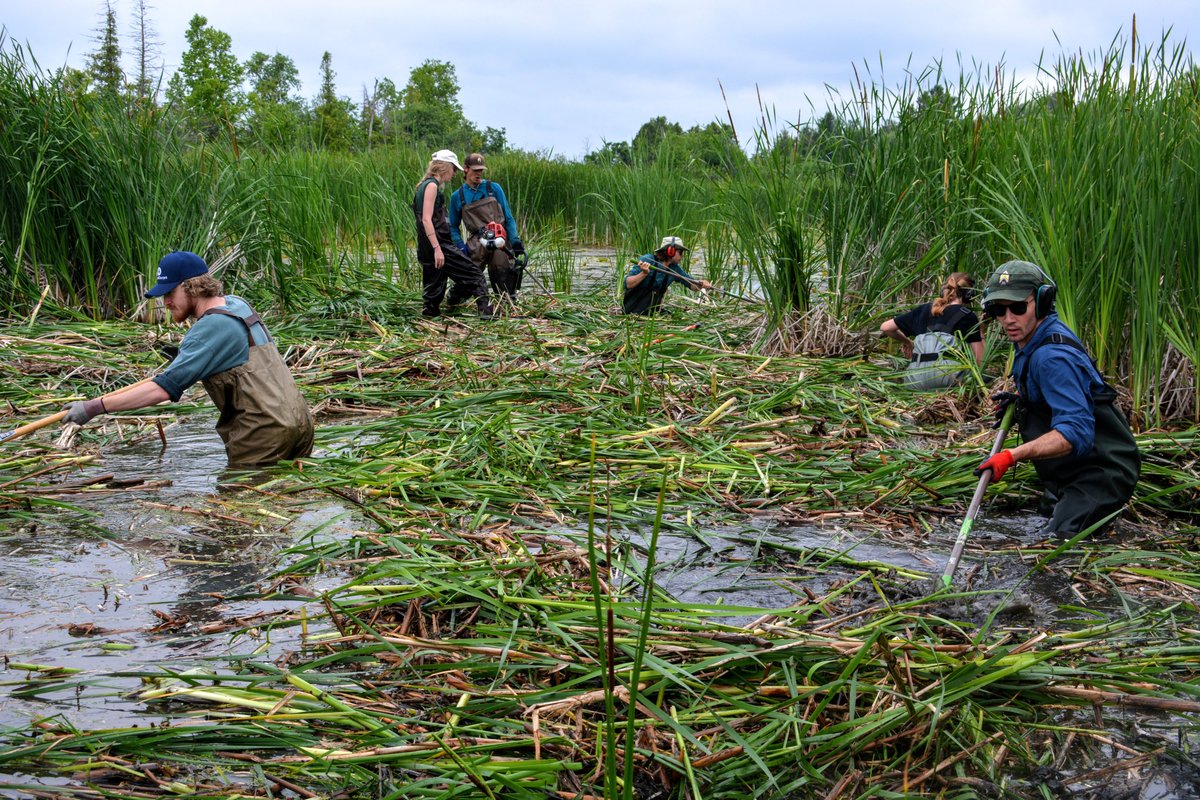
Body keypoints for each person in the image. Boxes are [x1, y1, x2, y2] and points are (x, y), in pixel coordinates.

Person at [62, 251, 314, 469]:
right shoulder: (237, 305)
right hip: (299, 424)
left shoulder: (209, 328)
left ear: (190, 286)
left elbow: (162, 391)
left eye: (170, 292)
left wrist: (94, 407)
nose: (166, 302)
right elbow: (232, 352)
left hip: (264, 434)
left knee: (239, 510)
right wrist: (186, 356)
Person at [974, 260, 1140, 537]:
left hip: (1100, 472)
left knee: (1060, 543)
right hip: (1068, 470)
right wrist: (1021, 402)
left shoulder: (1052, 357)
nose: (1008, 319)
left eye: (1017, 307)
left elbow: (1075, 432)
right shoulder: (1030, 339)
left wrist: (1011, 456)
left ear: (1041, 302)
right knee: (1042, 522)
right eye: (998, 310)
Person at [413, 149, 495, 319]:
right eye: (454, 169)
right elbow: (427, 220)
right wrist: (437, 249)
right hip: (439, 245)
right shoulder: (432, 186)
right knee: (475, 275)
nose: (455, 173)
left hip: (426, 246)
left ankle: (430, 315)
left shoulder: (423, 186)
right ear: (445, 167)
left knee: (434, 284)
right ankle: (486, 315)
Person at [880, 272, 985, 389]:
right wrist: (981, 329)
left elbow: (886, 327)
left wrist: (908, 343)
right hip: (949, 379)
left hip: (915, 379)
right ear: (969, 294)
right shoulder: (968, 316)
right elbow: (980, 361)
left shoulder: (923, 310)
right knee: (987, 377)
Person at [448, 153, 525, 301]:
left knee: (502, 273)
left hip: (499, 238)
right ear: (465, 169)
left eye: (481, 170)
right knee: (468, 274)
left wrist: (514, 240)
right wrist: (460, 246)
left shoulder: (494, 188)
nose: (478, 174)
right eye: (475, 170)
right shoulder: (457, 196)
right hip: (477, 241)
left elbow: (508, 217)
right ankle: (455, 302)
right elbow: (452, 226)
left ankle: (507, 303)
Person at [622, 236, 713, 315]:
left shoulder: (675, 269)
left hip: (653, 314)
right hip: (632, 311)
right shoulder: (648, 260)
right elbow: (628, 284)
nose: (682, 256)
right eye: (680, 252)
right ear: (671, 251)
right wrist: (644, 273)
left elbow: (691, 285)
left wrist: (702, 285)